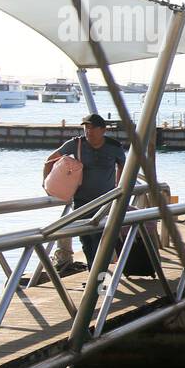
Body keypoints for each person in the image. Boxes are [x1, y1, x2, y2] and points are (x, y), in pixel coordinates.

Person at [43, 113, 128, 269]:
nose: (88, 131)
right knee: (85, 240)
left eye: (92, 128)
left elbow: (124, 166)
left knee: (98, 238)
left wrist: (118, 186)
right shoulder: (76, 144)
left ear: (103, 129)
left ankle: (97, 276)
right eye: (86, 128)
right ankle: (92, 273)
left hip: (105, 201)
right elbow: (49, 161)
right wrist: (47, 185)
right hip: (81, 200)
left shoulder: (114, 147)